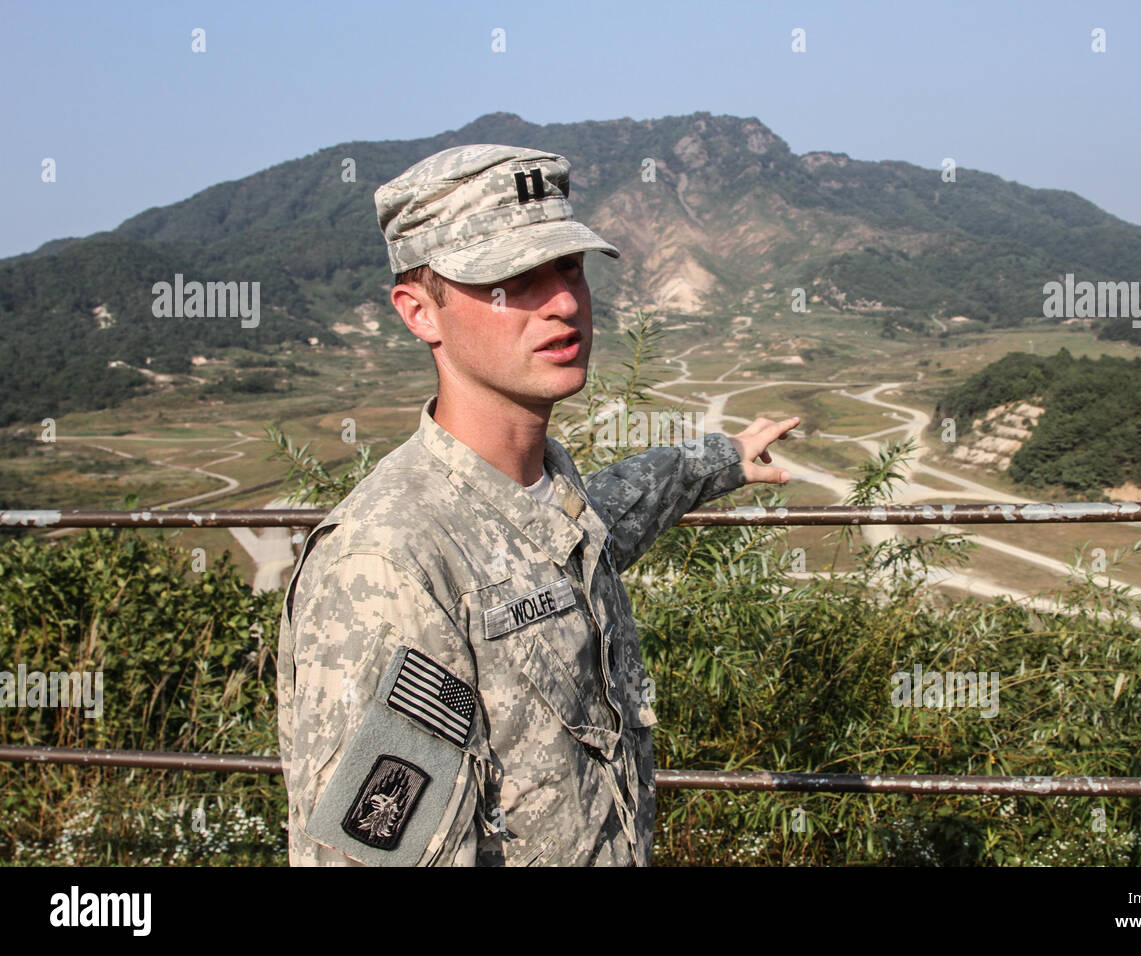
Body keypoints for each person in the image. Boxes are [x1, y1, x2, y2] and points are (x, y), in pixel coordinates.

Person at [276, 143, 799, 866]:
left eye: (568, 268)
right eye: (512, 280)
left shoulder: (545, 493)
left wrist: (723, 460)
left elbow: (604, 519)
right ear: (419, 312)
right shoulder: (395, 564)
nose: (562, 302)